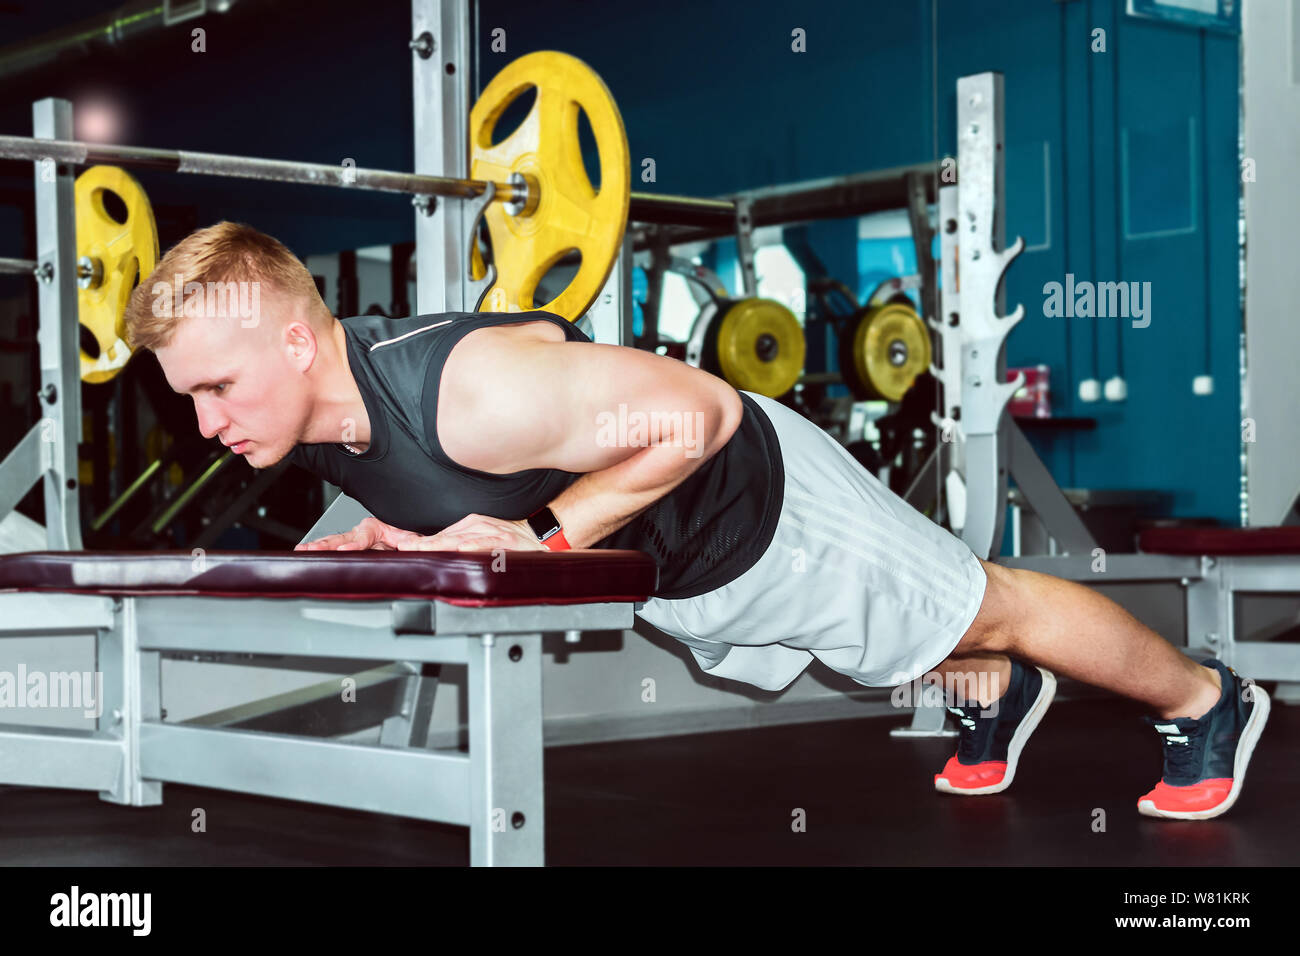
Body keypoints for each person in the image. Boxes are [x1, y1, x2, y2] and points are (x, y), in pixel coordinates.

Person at [123, 221, 1269, 821]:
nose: (206, 418)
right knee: (901, 646)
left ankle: (1208, 699)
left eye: (219, 386)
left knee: (990, 601)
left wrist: (548, 542)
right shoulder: (317, 418)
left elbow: (703, 411)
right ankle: (990, 687)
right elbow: (440, 489)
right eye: (187, 397)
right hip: (687, 568)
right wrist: (395, 535)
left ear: (293, 340)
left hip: (766, 506)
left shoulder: (471, 389)